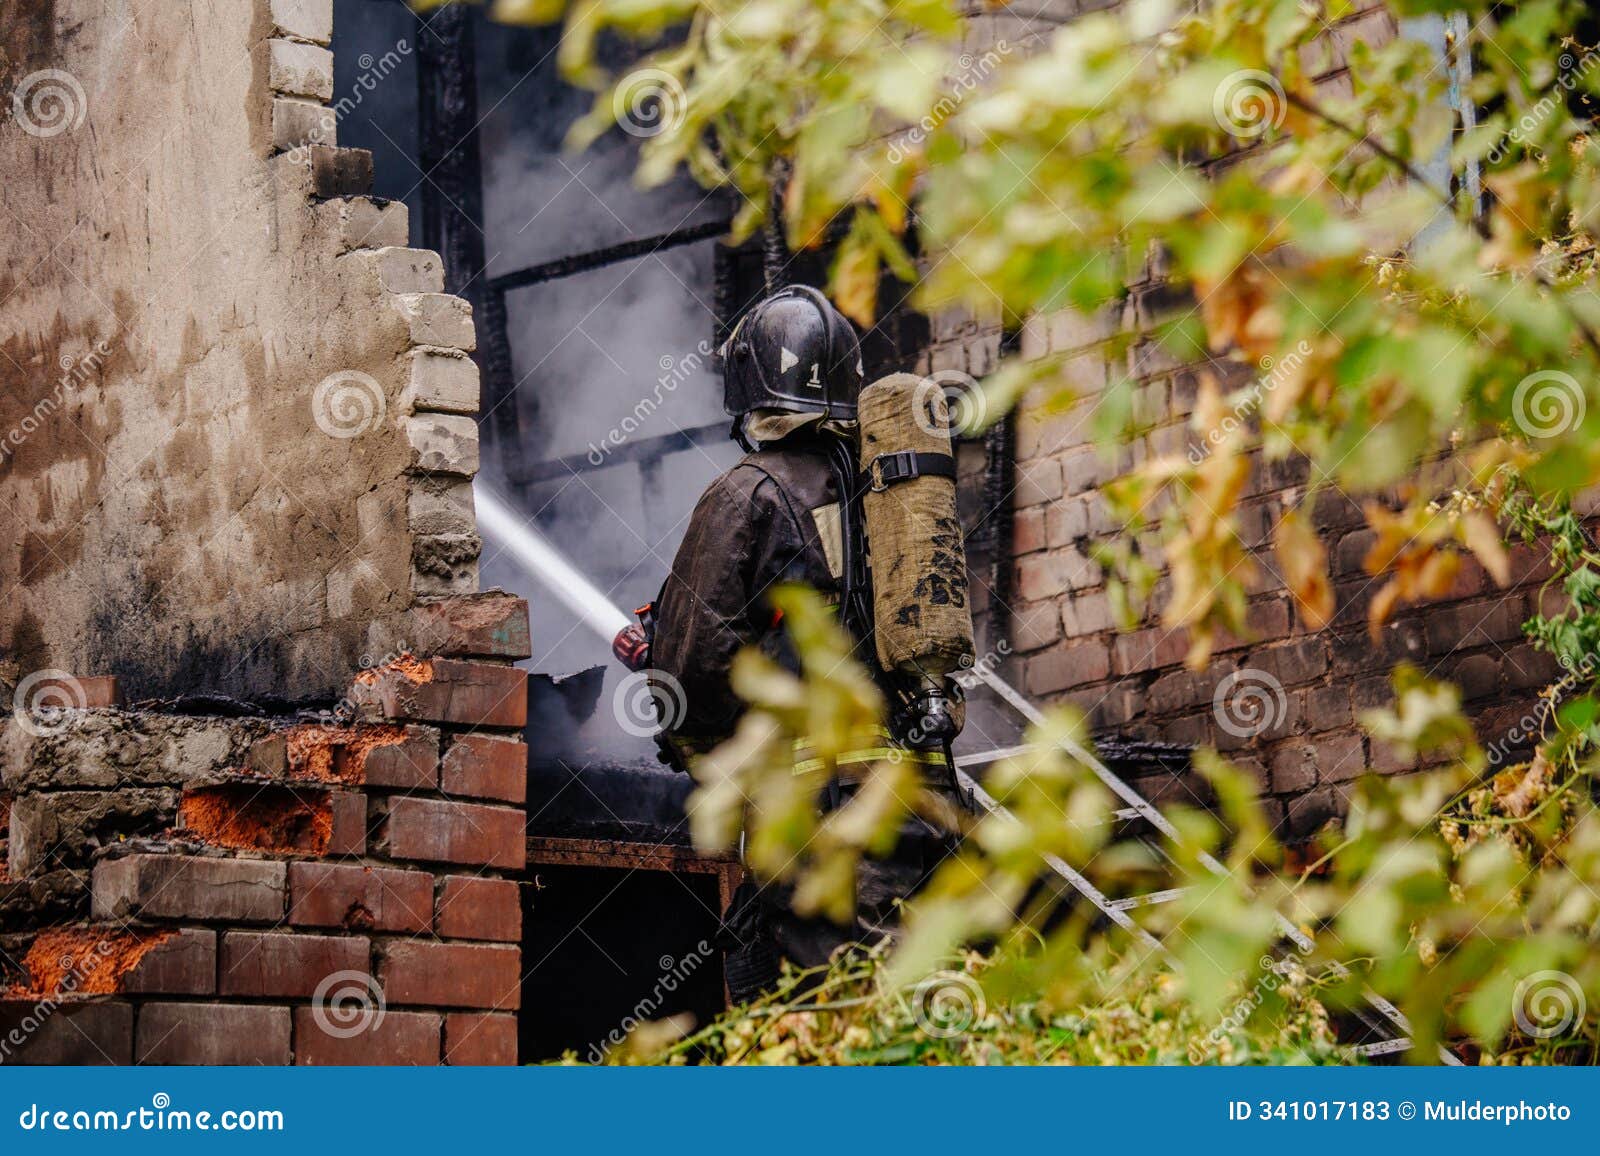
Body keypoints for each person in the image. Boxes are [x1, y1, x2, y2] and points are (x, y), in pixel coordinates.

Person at [620, 285, 965, 1000]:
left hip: (826, 816)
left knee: (837, 1023)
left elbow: (695, 670)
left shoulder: (748, 494)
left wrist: (666, 669)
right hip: (926, 800)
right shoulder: (888, 490)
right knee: (932, 1007)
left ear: (750, 391)